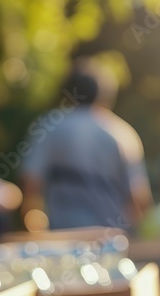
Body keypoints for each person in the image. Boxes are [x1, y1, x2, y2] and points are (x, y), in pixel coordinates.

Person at [21, 60, 152, 232]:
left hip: (62, 237)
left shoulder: (50, 125)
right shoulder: (122, 133)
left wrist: (35, 230)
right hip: (110, 239)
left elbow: (31, 184)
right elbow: (138, 197)